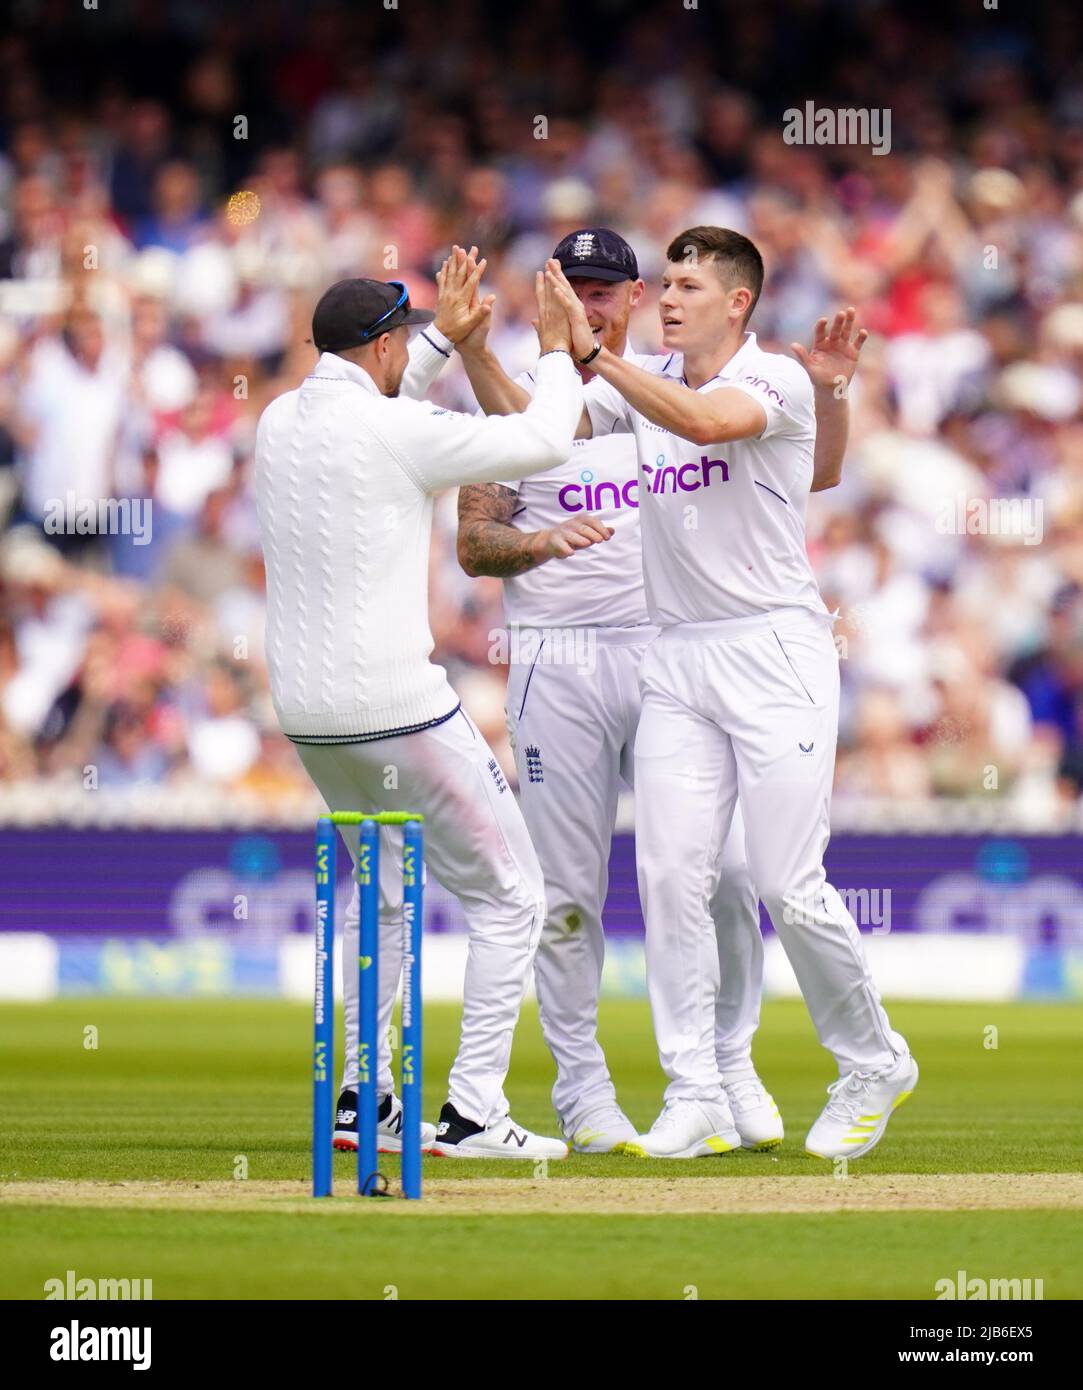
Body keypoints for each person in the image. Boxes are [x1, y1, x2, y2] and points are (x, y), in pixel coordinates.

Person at [463, 227, 917, 1161]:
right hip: (677, 657)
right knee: (670, 876)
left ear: (737, 302)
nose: (665, 298)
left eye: (685, 285)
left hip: (773, 651)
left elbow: (726, 433)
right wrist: (481, 352)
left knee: (783, 883)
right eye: (662, 283)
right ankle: (695, 1088)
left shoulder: (773, 378)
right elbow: (542, 429)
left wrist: (829, 390)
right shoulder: (652, 383)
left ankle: (871, 1058)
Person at [254, 247, 584, 1159]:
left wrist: (439, 337)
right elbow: (545, 441)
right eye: (404, 341)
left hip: (311, 718)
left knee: (387, 898)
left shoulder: (279, 421)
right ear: (381, 348)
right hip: (398, 705)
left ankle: (364, 1100)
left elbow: (380, 409)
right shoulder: (399, 430)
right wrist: (554, 349)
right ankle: (474, 1112)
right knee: (512, 896)